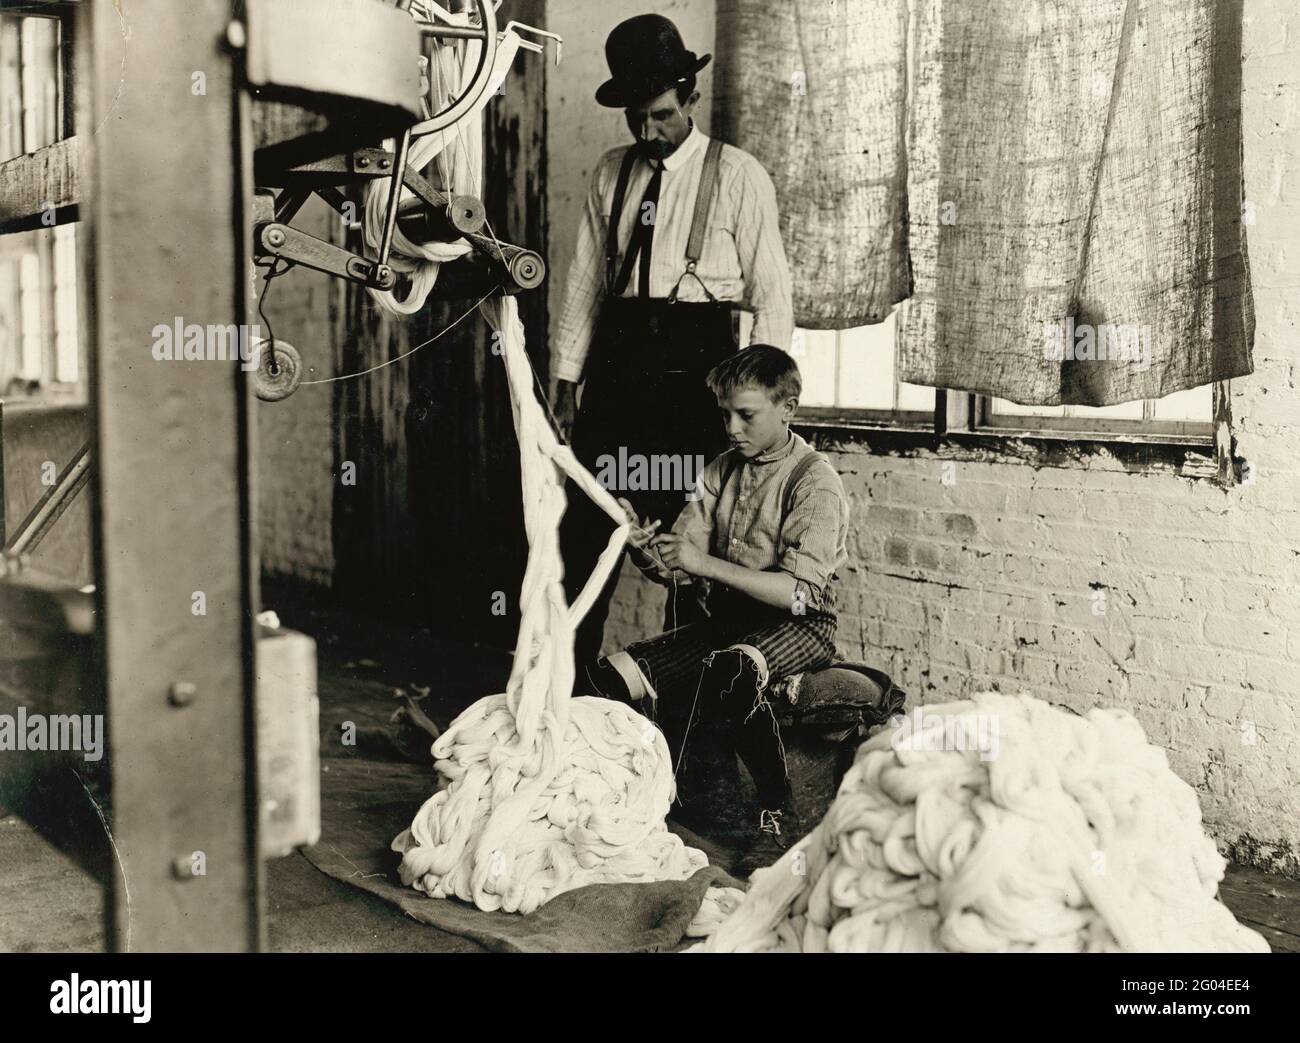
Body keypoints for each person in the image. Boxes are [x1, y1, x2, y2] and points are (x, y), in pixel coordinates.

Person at [552, 13, 794, 666]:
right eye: (637, 118)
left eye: (661, 113)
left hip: (700, 386)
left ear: (690, 95)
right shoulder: (610, 174)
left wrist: (765, 407)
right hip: (617, 376)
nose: (648, 131)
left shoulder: (740, 176)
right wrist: (566, 378)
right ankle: (568, 711)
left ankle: (693, 727)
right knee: (583, 544)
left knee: (699, 557)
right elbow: (583, 283)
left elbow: (772, 297)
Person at [583, 345, 849, 874]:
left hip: (798, 625)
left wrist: (700, 562)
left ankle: (779, 821)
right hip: (730, 622)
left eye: (746, 415)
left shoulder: (814, 481)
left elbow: (796, 593)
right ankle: (634, 801)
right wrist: (645, 549)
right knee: (606, 679)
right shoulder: (720, 470)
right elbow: (682, 566)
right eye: (724, 414)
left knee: (729, 672)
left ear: (788, 409)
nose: (731, 427)